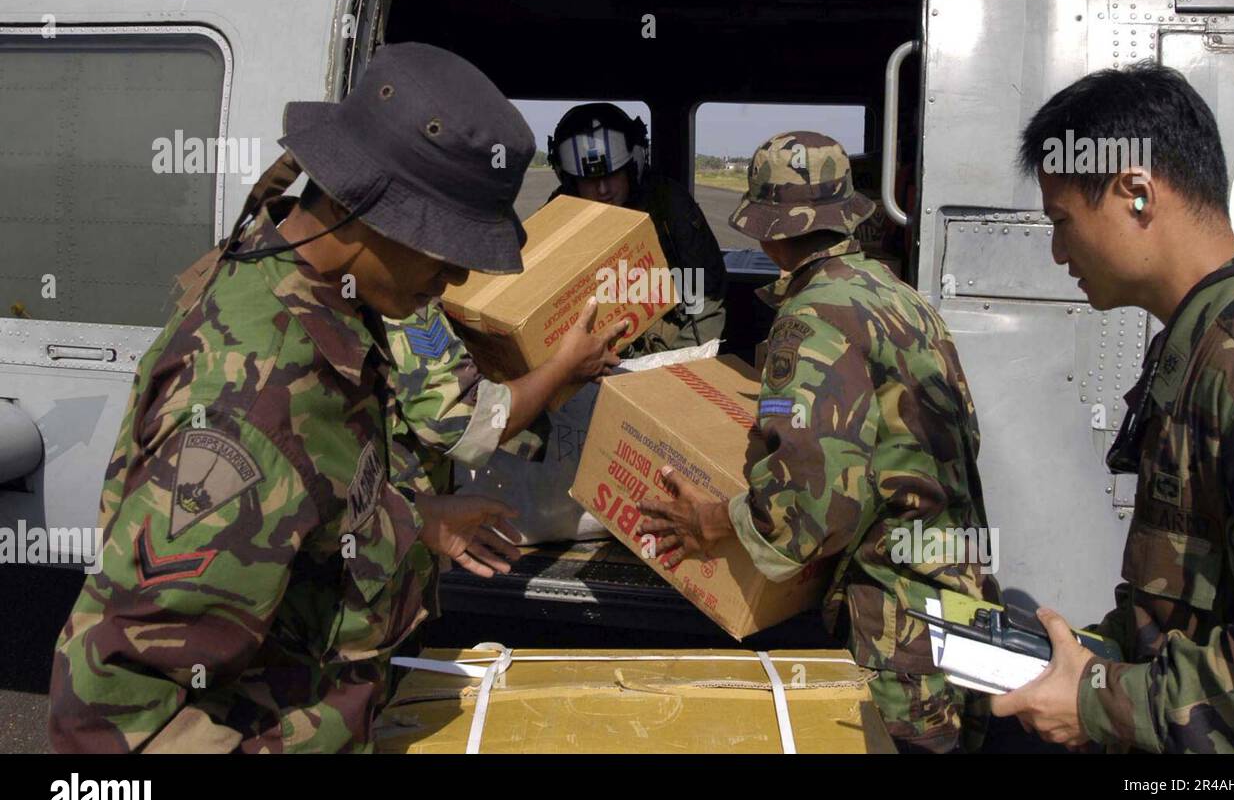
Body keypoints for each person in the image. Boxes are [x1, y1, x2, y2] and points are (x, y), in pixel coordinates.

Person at [48, 43, 622, 753]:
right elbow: (111, 715)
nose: (450, 279)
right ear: (369, 212)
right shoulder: (253, 395)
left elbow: (306, 508)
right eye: (441, 247)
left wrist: (413, 523)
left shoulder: (308, 292)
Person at [638, 131, 997, 753]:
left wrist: (714, 521)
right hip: (956, 599)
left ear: (768, 233)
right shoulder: (901, 299)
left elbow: (813, 503)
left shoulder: (814, 318)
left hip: (897, 625)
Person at [990, 62, 1234, 753]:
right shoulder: (1193, 349)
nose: (1057, 249)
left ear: (1135, 193)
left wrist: (1101, 703)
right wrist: (1080, 659)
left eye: (1064, 221)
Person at [547, 102, 728, 353]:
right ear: (569, 181)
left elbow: (705, 302)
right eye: (589, 180)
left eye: (612, 175)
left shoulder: (668, 207)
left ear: (632, 168)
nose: (602, 190)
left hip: (665, 348)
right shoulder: (557, 217)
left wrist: (677, 367)